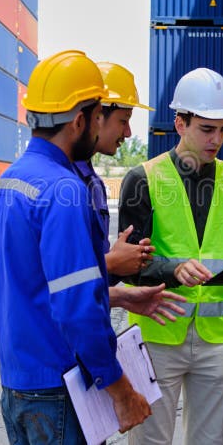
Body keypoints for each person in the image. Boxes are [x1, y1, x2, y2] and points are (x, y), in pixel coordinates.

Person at [0, 50, 150, 444]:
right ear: (79, 121)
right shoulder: (64, 191)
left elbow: (35, 289)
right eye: (98, 119)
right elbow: (76, 310)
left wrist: (118, 297)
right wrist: (122, 392)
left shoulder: (9, 182)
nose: (105, 130)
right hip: (59, 390)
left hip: (18, 384)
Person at [119, 68, 223, 445]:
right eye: (207, 129)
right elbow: (128, 266)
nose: (218, 140)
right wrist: (173, 269)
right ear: (180, 123)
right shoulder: (142, 179)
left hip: (217, 339)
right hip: (156, 333)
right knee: (150, 441)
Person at [74, 62, 157, 285]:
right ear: (98, 115)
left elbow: (89, 282)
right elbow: (56, 280)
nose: (128, 133)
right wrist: (110, 263)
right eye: (124, 120)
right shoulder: (65, 184)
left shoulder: (91, 182)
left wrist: (120, 264)